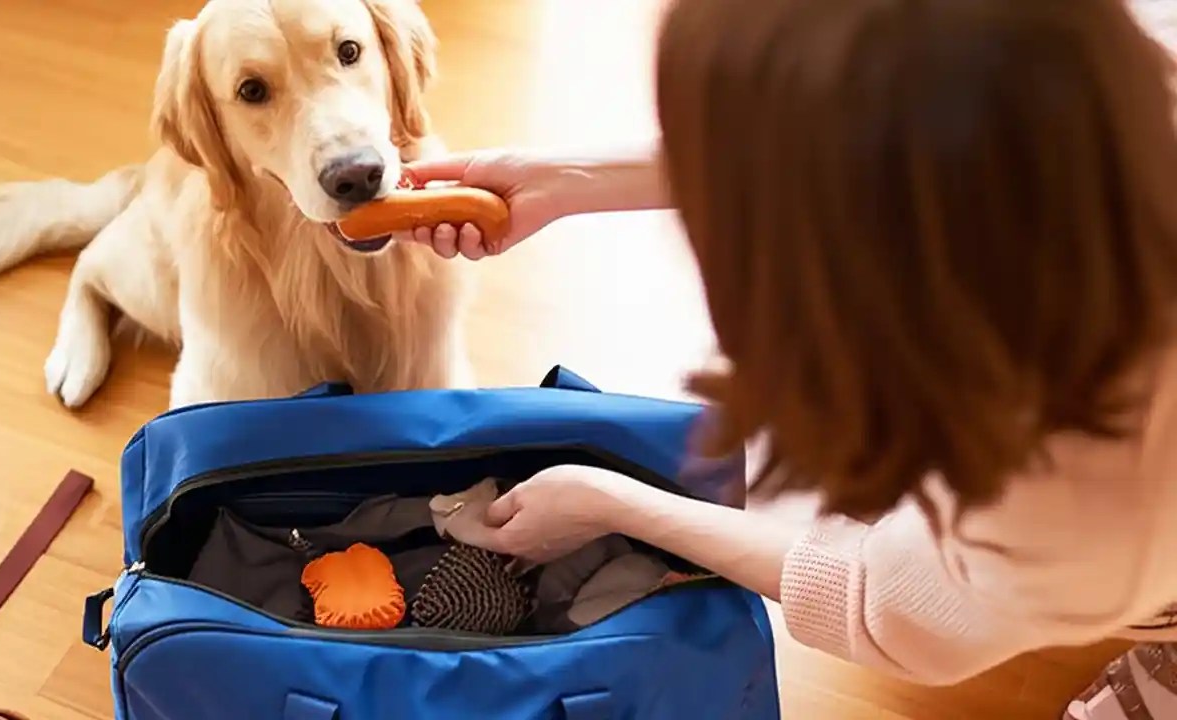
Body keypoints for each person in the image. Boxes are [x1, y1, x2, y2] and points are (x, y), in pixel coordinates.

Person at [395, 0, 1177, 718]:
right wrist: (567, 181)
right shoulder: (1116, 84)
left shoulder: (1068, 507)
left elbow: (879, 606)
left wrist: (612, 500)